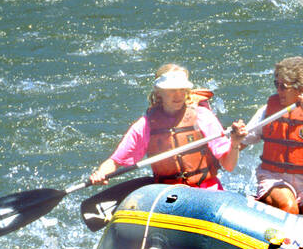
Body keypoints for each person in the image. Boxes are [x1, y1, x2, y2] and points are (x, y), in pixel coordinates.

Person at [89, 63, 235, 188]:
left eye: (182, 89)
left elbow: (228, 165)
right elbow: (115, 161)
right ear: (159, 93)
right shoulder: (146, 125)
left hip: (206, 190)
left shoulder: (202, 116)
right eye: (171, 90)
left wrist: (236, 142)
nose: (178, 95)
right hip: (167, 195)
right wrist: (102, 173)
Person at [230, 56, 303, 217]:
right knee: (288, 205)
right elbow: (243, 141)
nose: (278, 90)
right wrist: (235, 139)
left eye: (283, 86)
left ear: (300, 88)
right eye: (276, 84)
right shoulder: (268, 110)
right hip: (274, 177)